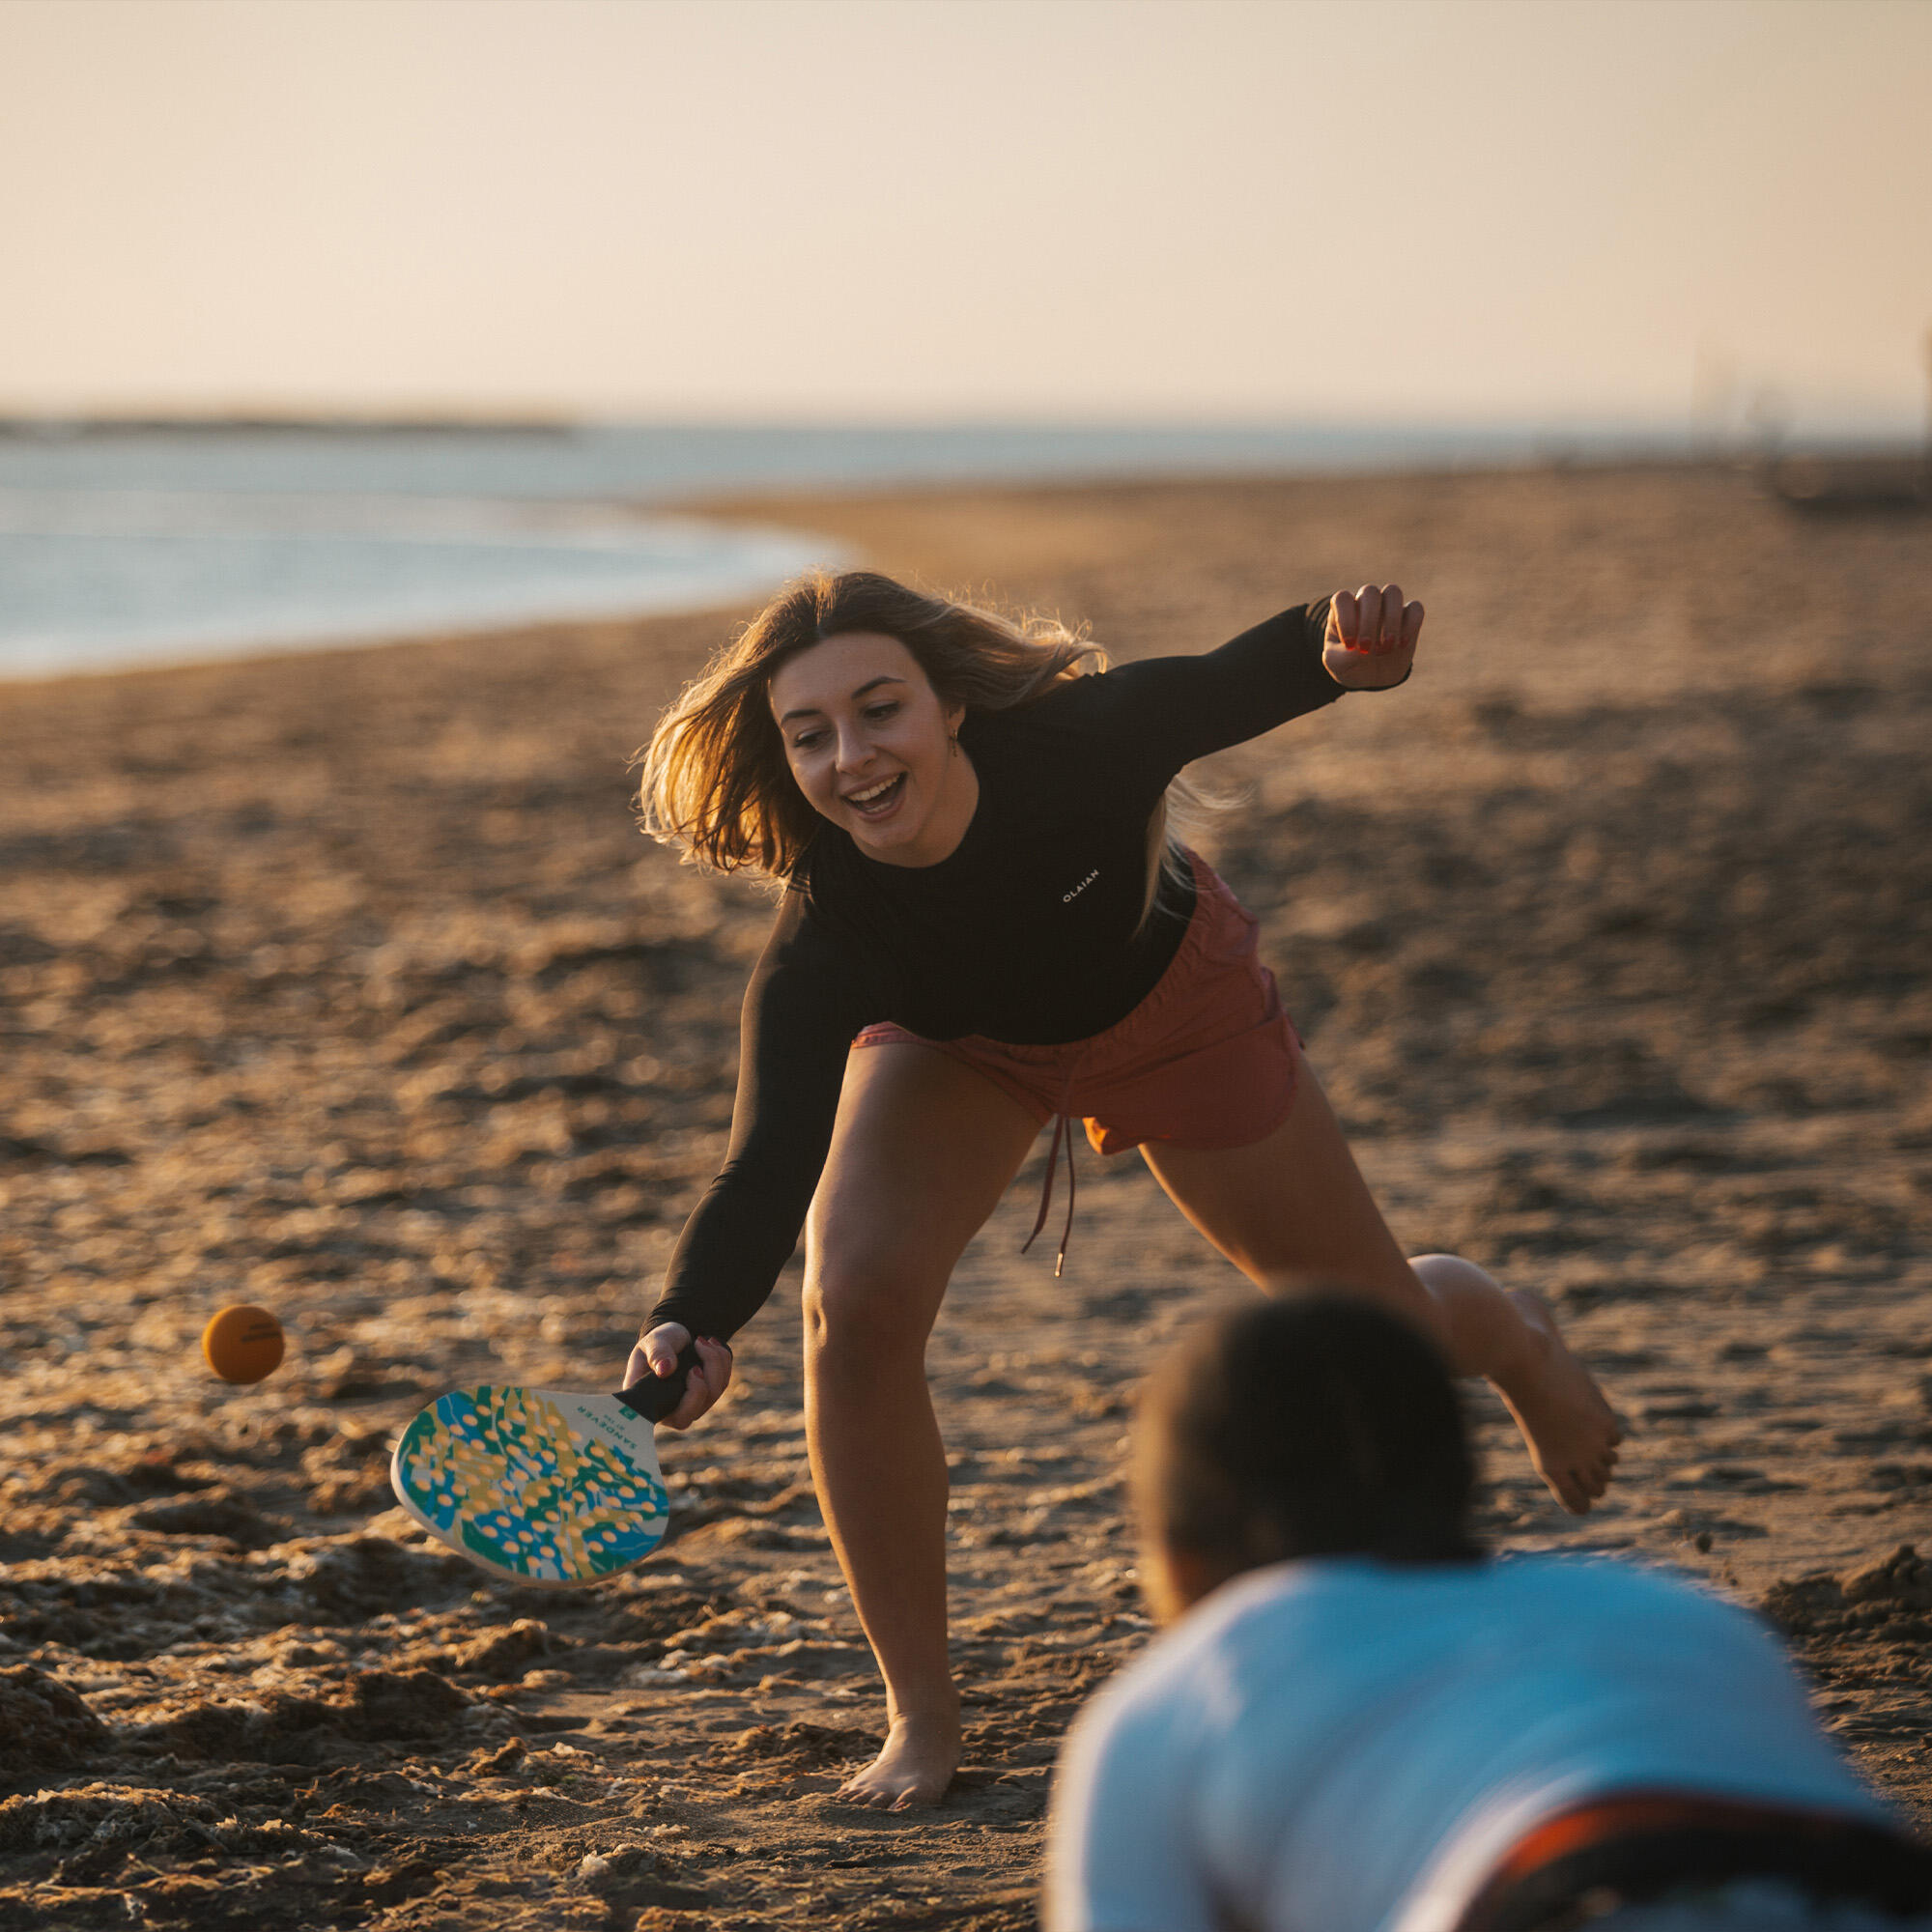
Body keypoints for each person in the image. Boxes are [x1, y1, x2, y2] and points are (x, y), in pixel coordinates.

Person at [623, 569, 1622, 1808]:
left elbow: (1235, 677)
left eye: (879, 710)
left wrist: (1340, 651)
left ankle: (1506, 1328)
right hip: (960, 1050)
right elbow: (765, 1156)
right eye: (808, 735)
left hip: (1173, 1008)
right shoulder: (831, 929)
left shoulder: (1076, 747)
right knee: (854, 1302)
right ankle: (918, 1717)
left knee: (1376, 1337)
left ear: (950, 710)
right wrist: (695, 1315)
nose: (851, 758)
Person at [1047, 1293, 1932, 1932]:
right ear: (1463, 1484)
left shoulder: (1178, 1694)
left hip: (1543, 1895)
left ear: (1178, 1546)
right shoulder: (1679, 1608)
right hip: (1852, 1887)